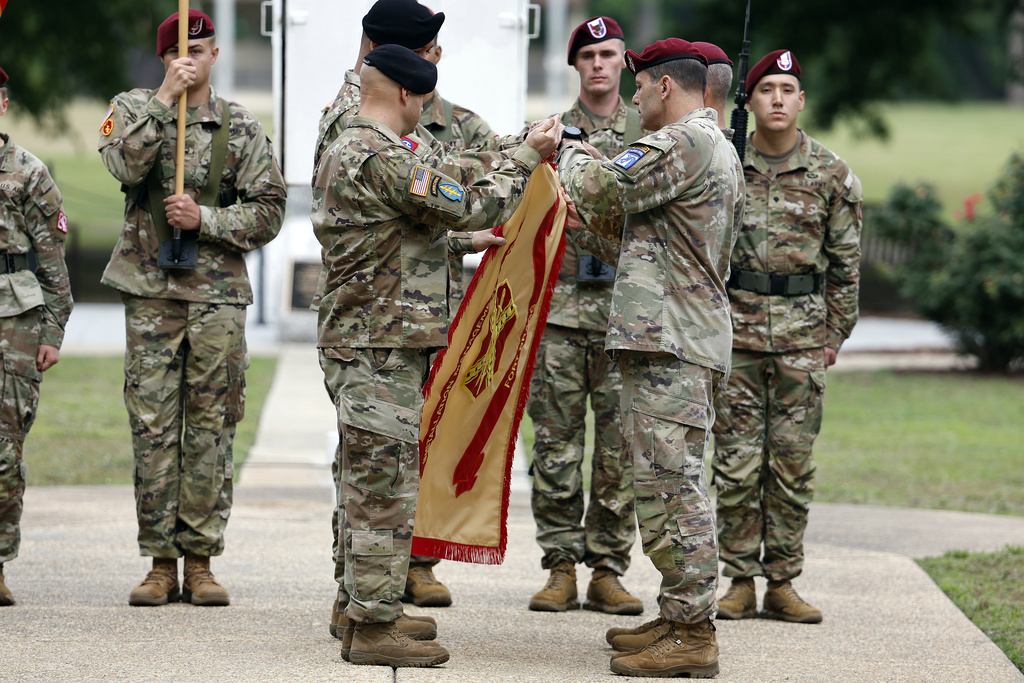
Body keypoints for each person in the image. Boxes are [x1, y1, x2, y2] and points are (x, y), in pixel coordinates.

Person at [312, 44, 559, 667]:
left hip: (379, 339)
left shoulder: (363, 151)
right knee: (380, 486)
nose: (427, 111)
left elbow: (392, 240)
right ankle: (372, 626)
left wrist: (460, 243)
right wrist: (528, 157)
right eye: (423, 99)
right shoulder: (376, 152)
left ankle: (364, 605)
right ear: (403, 95)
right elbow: (470, 200)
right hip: (377, 346)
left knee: (378, 476)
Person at [557, 38, 743, 678]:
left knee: (674, 490)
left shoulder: (685, 141)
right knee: (662, 484)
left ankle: (693, 634)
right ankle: (678, 613)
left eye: (639, 87)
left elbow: (607, 184)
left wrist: (566, 149)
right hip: (668, 338)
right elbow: (631, 225)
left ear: (666, 86)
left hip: (673, 343)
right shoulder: (705, 145)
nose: (633, 99)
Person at [98, 9, 286, 607]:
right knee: (153, 427)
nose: (192, 59)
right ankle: (159, 562)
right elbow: (122, 165)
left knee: (211, 427)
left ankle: (201, 561)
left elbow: (269, 211)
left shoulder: (241, 127)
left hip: (217, 297)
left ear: (216, 55)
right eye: (181, 51)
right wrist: (163, 100)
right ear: (163, 59)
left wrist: (206, 219)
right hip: (152, 296)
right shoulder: (133, 108)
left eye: (201, 50)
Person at [711, 49, 862, 624]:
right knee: (735, 464)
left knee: (792, 465)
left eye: (787, 89)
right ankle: (740, 580)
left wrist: (834, 335)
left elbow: (846, 263)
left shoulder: (830, 174)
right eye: (766, 88)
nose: (777, 98)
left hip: (803, 339)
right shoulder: (724, 164)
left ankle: (783, 582)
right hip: (737, 336)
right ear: (751, 101)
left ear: (801, 101)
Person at [525, 15, 643, 617]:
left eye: (609, 54)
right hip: (561, 316)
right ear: (575, 65)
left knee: (619, 451)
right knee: (555, 447)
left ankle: (608, 569)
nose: (599, 64)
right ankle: (560, 566)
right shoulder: (546, 134)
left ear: (626, 62)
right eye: (588, 55)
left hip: (627, 318)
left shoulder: (653, 133)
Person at [0, 66, 74, 606]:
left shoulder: (27, 173)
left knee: (4, 451)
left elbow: (52, 260)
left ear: (2, 105)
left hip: (15, 323)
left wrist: (53, 328)